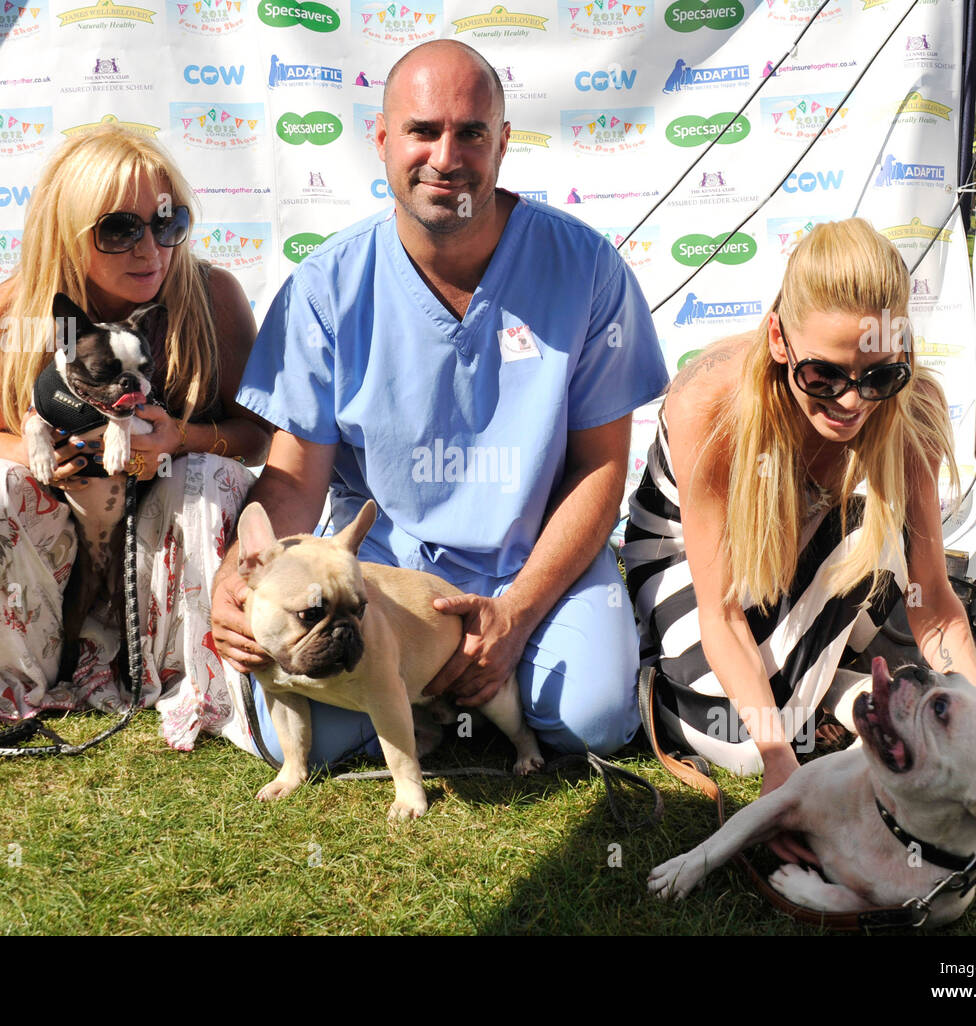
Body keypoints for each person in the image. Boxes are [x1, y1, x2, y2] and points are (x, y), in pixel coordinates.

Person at [211, 39, 668, 767]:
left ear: (504, 143)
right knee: (295, 735)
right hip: (391, 582)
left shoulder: (585, 269)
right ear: (384, 140)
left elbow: (601, 471)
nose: (446, 156)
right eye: (424, 131)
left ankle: (491, 678)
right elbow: (295, 481)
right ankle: (450, 689)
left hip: (537, 563)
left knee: (594, 721)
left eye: (472, 133)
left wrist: (514, 616)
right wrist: (240, 580)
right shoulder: (326, 287)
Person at [0, 126, 271, 751]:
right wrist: (47, 462)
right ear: (68, 230)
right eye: (120, 229)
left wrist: (180, 440)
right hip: (62, 533)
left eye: (168, 225)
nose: (151, 249)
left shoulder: (212, 295)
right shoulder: (4, 312)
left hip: (164, 529)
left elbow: (254, 440)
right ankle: (14, 672)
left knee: (212, 479)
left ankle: (196, 673)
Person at [622, 219, 976, 863]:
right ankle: (796, 692)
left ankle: (829, 691)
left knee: (866, 539)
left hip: (813, 560)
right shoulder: (711, 403)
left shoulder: (915, 413)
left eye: (879, 376)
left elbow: (931, 593)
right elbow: (722, 611)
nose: (852, 401)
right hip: (689, 560)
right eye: (823, 376)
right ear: (778, 339)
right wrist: (776, 759)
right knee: (743, 741)